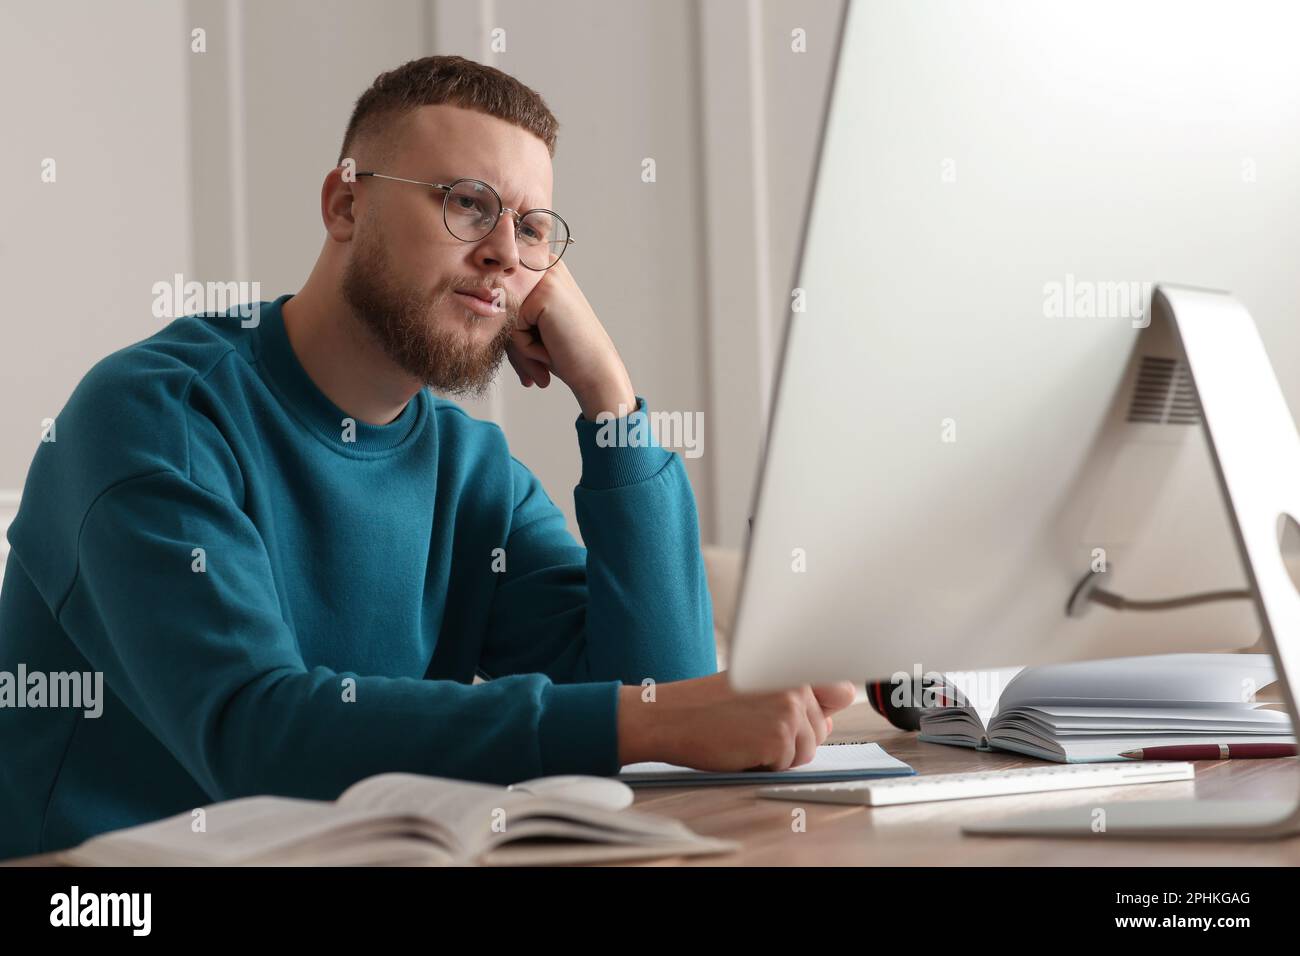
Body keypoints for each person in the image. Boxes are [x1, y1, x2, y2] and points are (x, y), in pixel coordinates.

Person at [0, 55, 855, 859]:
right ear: (345, 205)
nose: (505, 256)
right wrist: (649, 720)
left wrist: (612, 402)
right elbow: (255, 734)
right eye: (468, 204)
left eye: (531, 228)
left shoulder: (471, 472)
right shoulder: (153, 415)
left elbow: (663, 699)